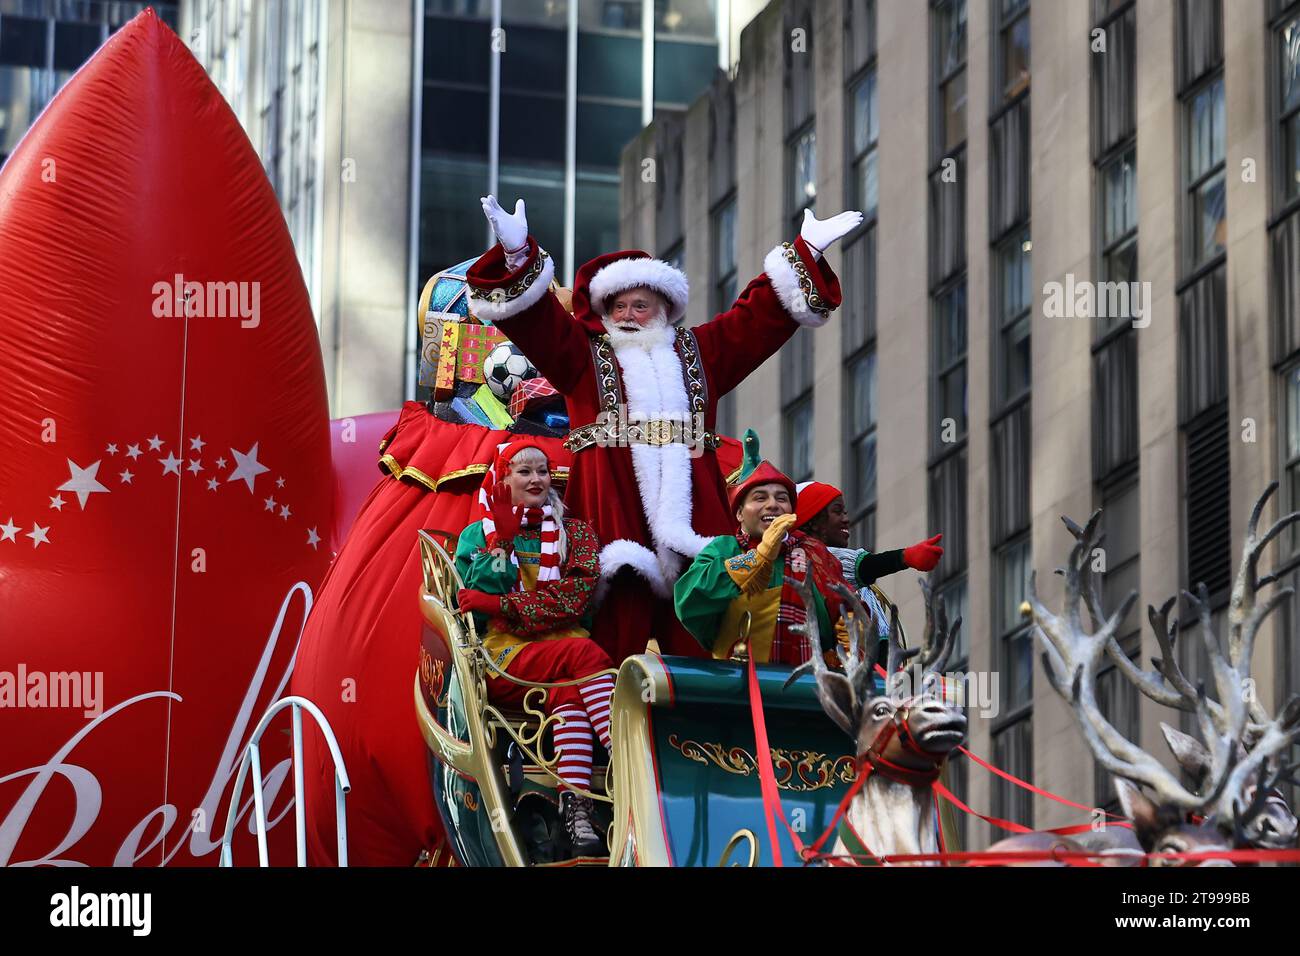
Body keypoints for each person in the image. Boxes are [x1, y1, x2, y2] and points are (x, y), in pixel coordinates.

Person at [463, 194, 862, 663]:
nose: (629, 315)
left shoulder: (700, 352)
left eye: (641, 305)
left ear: (665, 308)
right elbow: (538, 322)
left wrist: (806, 251)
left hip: (693, 515)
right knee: (615, 632)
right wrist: (517, 254)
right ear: (604, 313)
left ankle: (705, 733)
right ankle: (608, 729)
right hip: (612, 513)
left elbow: (754, 320)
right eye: (619, 307)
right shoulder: (583, 357)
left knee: (701, 639)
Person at [453, 438, 614, 857]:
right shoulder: (477, 535)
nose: (536, 478)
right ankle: (631, 758)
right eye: (524, 471)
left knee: (570, 694)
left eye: (542, 470)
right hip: (506, 661)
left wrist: (505, 604)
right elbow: (475, 602)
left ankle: (574, 807)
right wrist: (500, 547)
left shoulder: (574, 532)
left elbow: (574, 600)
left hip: (562, 660)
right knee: (589, 656)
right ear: (502, 479)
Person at [672, 452, 858, 666]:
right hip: (738, 685)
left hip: (808, 686)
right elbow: (689, 602)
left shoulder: (812, 552)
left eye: (782, 498)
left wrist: (848, 645)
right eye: (760, 497)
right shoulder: (725, 548)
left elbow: (848, 607)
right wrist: (760, 556)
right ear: (740, 513)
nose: (773, 505)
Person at [793, 479, 944, 639]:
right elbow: (867, 566)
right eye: (838, 512)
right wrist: (905, 557)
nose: (846, 519)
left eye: (845, 512)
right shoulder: (815, 559)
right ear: (813, 521)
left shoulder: (855, 583)